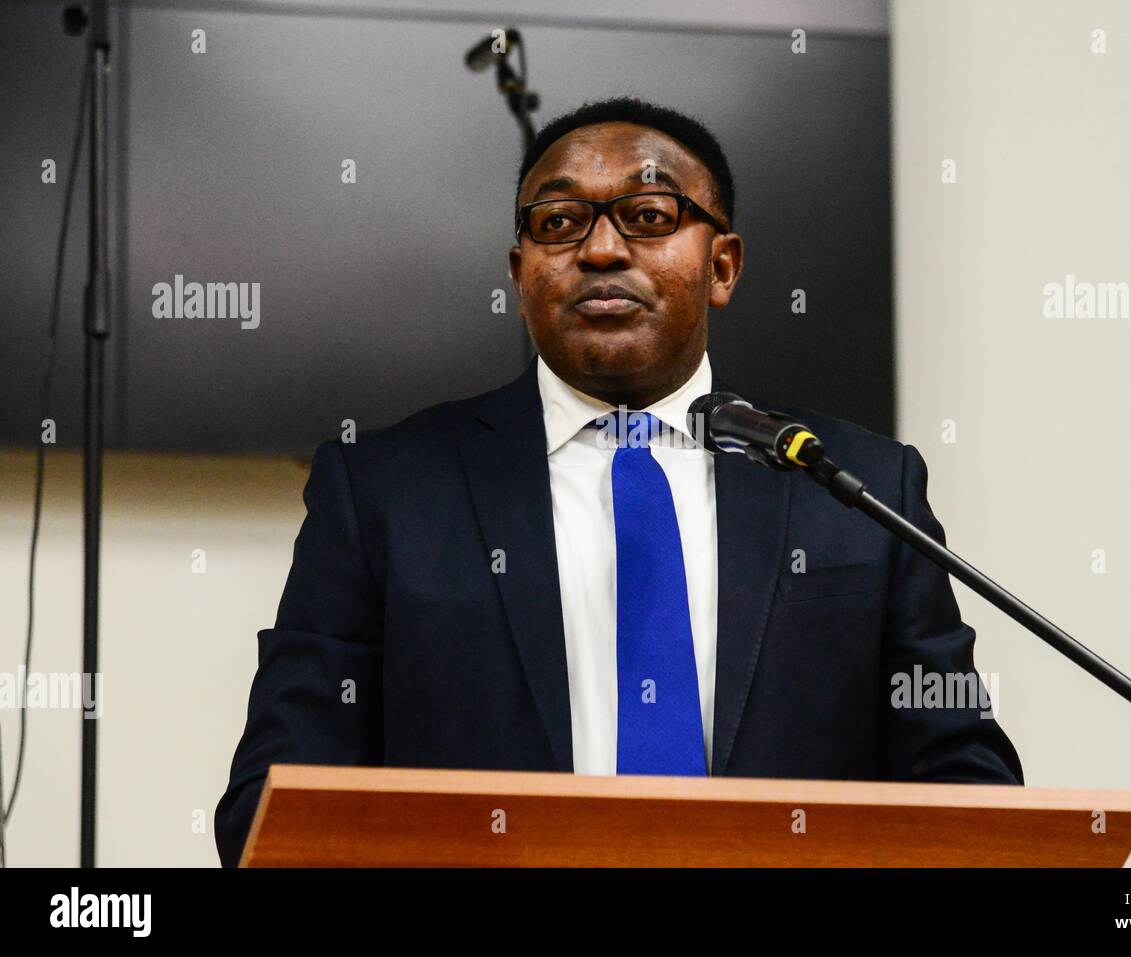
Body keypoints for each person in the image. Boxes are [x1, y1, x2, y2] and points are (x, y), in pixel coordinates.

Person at [215, 96, 1022, 868]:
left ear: (723, 265)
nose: (600, 250)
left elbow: (963, 782)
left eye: (649, 217)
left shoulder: (857, 485)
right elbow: (273, 801)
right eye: (559, 223)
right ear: (519, 269)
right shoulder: (385, 491)